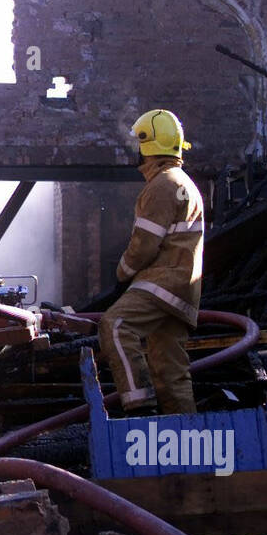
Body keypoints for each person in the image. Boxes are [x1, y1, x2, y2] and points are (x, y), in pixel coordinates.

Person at [98, 109, 204, 415]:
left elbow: (143, 247)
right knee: (171, 375)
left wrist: (121, 275)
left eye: (138, 145)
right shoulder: (184, 183)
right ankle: (186, 444)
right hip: (183, 292)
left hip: (161, 284)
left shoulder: (161, 186)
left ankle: (139, 408)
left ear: (148, 145)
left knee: (115, 325)